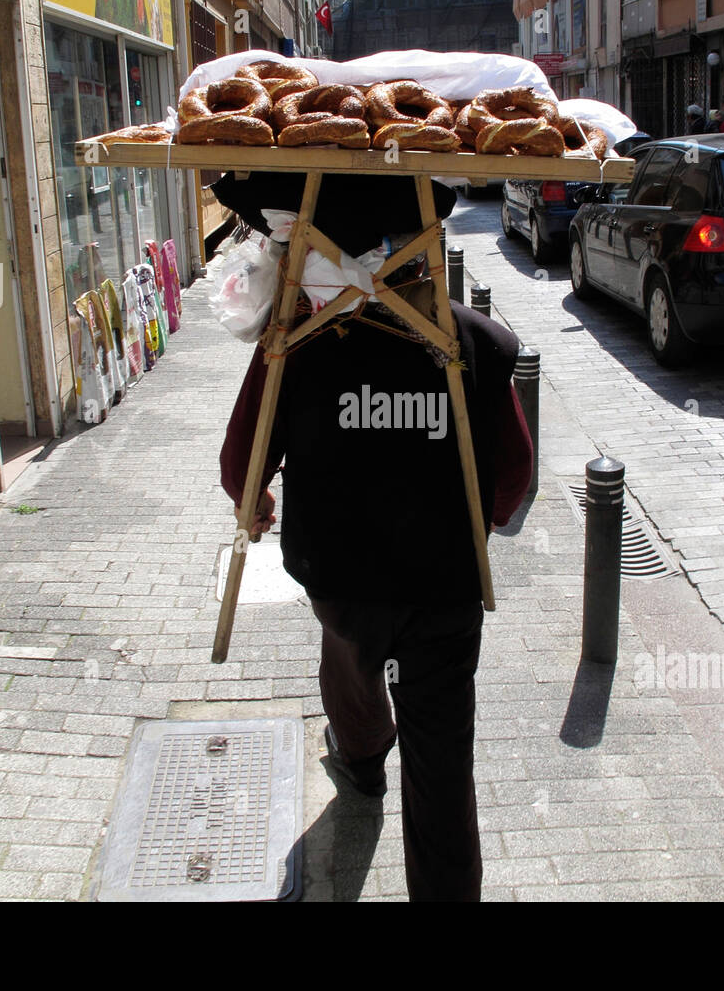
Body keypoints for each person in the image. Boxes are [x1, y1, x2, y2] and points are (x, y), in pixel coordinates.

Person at [221, 274, 533, 902]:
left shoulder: (297, 337)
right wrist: (482, 522)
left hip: (340, 581)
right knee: (441, 769)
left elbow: (240, 463)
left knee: (349, 650)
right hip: (440, 589)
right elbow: (513, 477)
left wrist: (252, 499)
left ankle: (362, 762)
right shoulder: (471, 338)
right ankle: (373, 769)